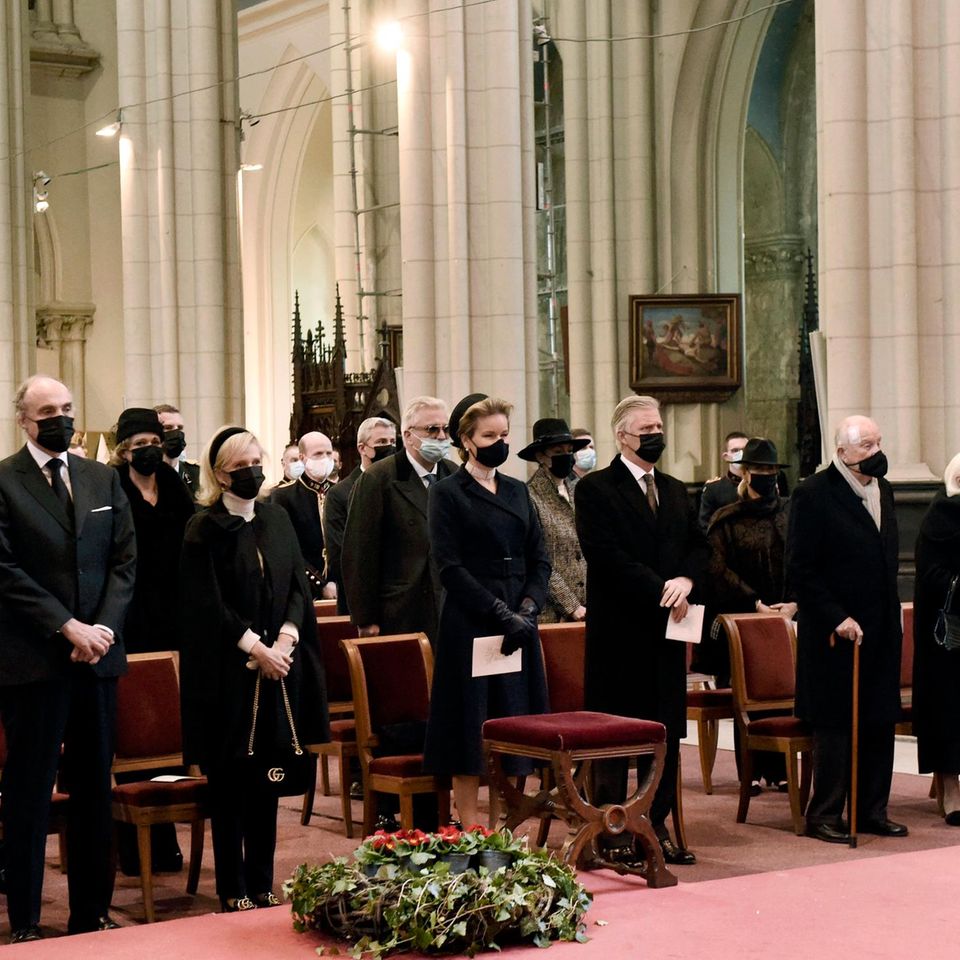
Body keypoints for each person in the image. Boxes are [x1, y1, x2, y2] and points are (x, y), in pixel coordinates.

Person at [0, 375, 136, 941]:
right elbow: (4, 569)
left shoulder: (101, 476)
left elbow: (124, 562)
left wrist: (100, 627)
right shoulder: (4, 481)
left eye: (67, 408)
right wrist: (67, 627)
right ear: (24, 421)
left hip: (96, 659)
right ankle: (27, 919)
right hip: (35, 661)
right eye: (48, 411)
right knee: (30, 793)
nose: (60, 418)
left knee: (92, 792)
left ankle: (91, 912)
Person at [178, 426, 328, 912]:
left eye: (256, 462)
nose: (252, 472)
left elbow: (295, 589)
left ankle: (263, 881)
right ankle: (232, 887)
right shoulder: (203, 528)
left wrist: (285, 639)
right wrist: (255, 647)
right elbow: (205, 603)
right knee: (231, 783)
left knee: (270, 774)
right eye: (240, 466)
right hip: (229, 671)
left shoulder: (275, 518)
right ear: (220, 475)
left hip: (280, 667)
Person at [575, 394, 708, 866]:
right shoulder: (596, 489)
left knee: (666, 735)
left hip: (667, 637)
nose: (655, 436)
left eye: (658, 427)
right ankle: (611, 831)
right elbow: (606, 556)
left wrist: (686, 580)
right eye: (645, 430)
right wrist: (662, 588)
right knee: (615, 736)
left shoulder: (674, 489)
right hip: (620, 633)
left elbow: (698, 544)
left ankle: (657, 824)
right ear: (622, 436)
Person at [423, 394, 550, 827]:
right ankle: (471, 830)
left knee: (511, 727)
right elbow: (449, 568)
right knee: (470, 732)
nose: (499, 443)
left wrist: (529, 608)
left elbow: (540, 556)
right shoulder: (447, 494)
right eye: (489, 436)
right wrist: (499, 611)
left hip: (518, 622)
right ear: (467, 440)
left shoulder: (517, 490)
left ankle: (503, 829)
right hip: (473, 622)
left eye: (504, 435)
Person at [788, 415, 906, 844]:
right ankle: (825, 814)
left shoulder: (885, 491)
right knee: (836, 723)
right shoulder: (814, 494)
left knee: (880, 717)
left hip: (880, 627)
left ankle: (872, 809)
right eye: (867, 447)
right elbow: (802, 569)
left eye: (878, 443)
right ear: (842, 453)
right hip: (834, 632)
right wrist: (837, 615)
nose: (876, 453)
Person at [109, 407, 196, 875]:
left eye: (153, 440)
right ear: (124, 449)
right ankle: (131, 841)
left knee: (170, 730)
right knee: (136, 728)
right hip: (129, 620)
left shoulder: (174, 484)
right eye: (138, 443)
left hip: (173, 620)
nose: (148, 449)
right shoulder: (112, 487)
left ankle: (164, 831)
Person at [705, 437, 795, 792]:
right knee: (750, 694)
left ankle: (783, 768)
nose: (767, 476)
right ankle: (751, 771)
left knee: (786, 694)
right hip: (743, 617)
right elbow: (716, 568)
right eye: (760, 470)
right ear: (746, 473)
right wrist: (754, 603)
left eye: (772, 470)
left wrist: (793, 603)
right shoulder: (726, 518)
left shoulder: (791, 512)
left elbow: (805, 559)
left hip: (789, 614)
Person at [341, 396, 458, 643]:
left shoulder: (453, 474)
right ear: (408, 436)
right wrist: (366, 618)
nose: (440, 436)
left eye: (445, 429)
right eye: (431, 429)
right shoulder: (379, 479)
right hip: (401, 608)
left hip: (449, 603)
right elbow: (360, 552)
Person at [912, 451, 960, 824]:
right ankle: (951, 787)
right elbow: (932, 576)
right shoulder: (941, 517)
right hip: (949, 638)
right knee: (949, 709)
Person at [322, 416, 397, 615]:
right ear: (362, 448)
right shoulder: (340, 493)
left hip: (401, 596)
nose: (389, 447)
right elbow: (341, 555)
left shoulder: (402, 485)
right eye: (381, 442)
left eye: (392, 442)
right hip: (362, 600)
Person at [520, 418, 588, 623]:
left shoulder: (579, 490)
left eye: (569, 451)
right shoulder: (530, 495)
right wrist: (571, 606)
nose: (566, 457)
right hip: (552, 612)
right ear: (541, 456)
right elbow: (538, 559)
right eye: (558, 452)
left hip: (589, 604)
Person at [271, 431, 337, 600]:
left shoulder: (342, 492)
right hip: (304, 588)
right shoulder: (284, 496)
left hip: (341, 587)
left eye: (328, 453)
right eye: (318, 454)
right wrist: (320, 584)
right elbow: (287, 547)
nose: (325, 458)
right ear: (303, 458)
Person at [698, 431, 748, 531]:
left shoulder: (760, 484)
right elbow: (705, 528)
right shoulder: (713, 490)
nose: (741, 454)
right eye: (735, 450)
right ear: (726, 456)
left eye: (745, 449)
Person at [154, 403, 201, 502]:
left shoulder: (197, 475)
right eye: (168, 427)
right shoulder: (146, 476)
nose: (176, 433)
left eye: (179, 428)